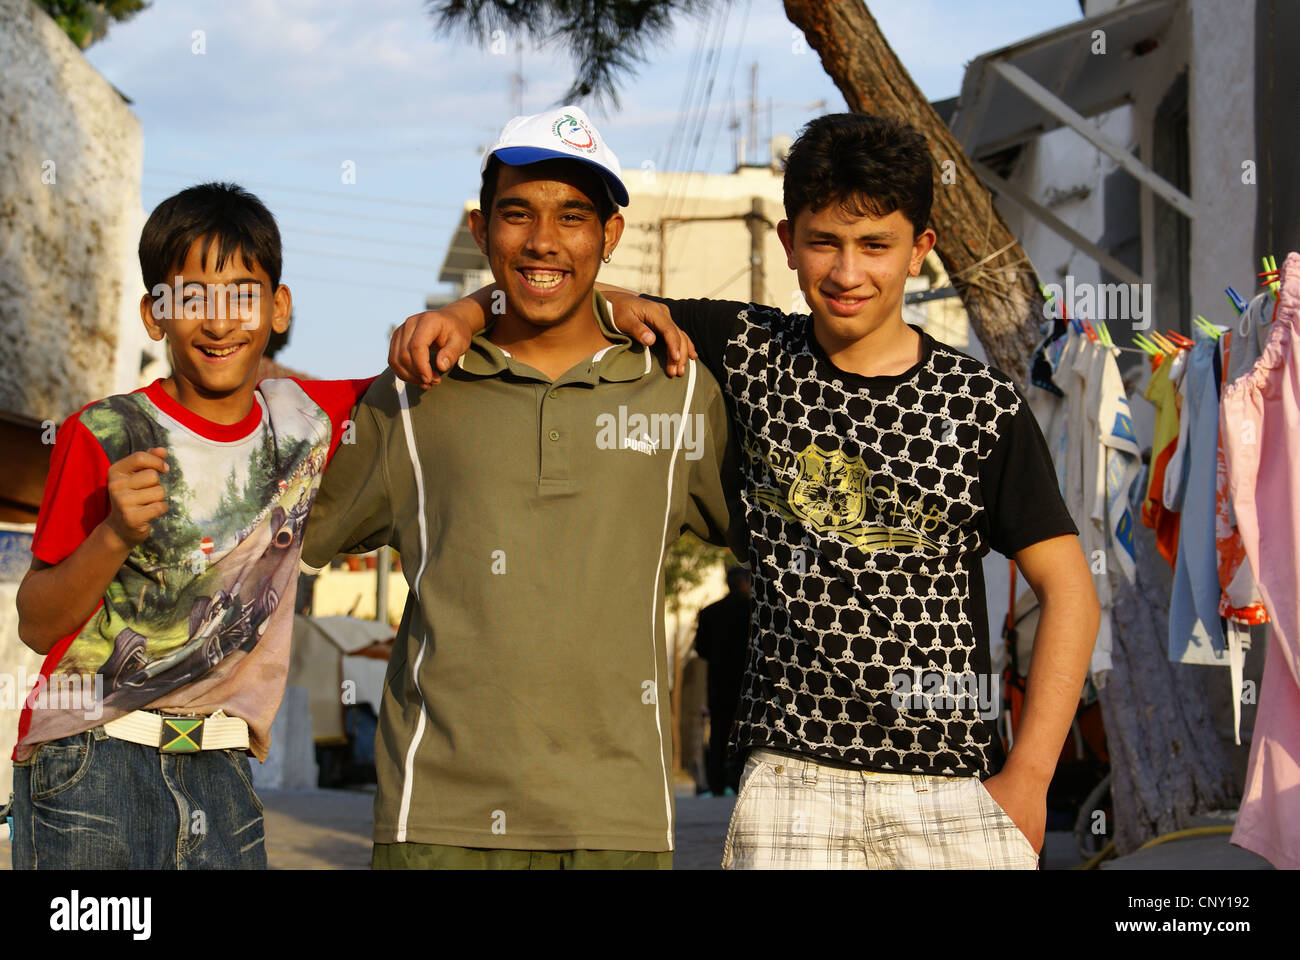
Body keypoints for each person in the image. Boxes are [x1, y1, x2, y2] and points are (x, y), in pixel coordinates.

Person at [389, 112, 1100, 870]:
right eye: (824, 242)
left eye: (876, 246)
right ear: (789, 243)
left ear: (921, 250)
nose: (848, 271)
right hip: (791, 783)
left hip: (950, 787)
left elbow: (1070, 594)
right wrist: (466, 311)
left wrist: (1028, 779)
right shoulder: (748, 350)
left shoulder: (981, 404)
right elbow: (565, 294)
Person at [300, 106, 738, 870]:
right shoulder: (409, 394)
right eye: (517, 214)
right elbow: (286, 544)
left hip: (620, 822)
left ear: (611, 236)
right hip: (435, 816)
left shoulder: (678, 391)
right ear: (480, 229)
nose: (543, 240)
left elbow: (794, 536)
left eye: (573, 216)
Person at [11, 183, 373, 869]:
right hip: (93, 764)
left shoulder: (307, 419)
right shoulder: (106, 432)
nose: (218, 321)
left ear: (278, 307)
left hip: (224, 769)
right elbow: (37, 623)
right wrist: (114, 533)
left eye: (242, 293)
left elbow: (435, 366)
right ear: (156, 315)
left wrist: (608, 304)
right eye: (190, 297)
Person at [693, 565, 752, 797]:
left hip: (718, 682)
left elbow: (701, 649)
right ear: (744, 583)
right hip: (745, 683)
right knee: (744, 732)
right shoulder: (752, 610)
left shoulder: (710, 612)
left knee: (718, 734)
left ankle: (716, 782)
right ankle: (738, 779)